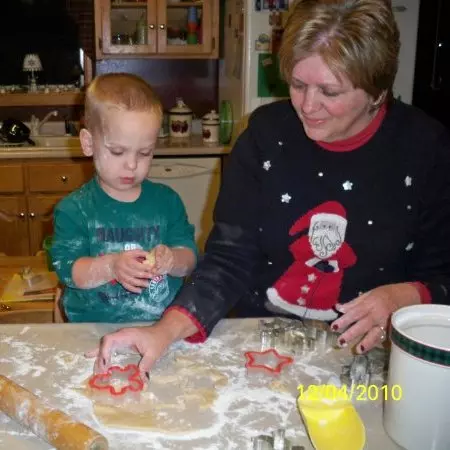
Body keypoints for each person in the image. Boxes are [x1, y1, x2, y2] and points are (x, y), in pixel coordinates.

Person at [86, 0, 450, 377]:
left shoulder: (426, 149)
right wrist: (163, 332)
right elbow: (229, 258)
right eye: (297, 84)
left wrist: (406, 298)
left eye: (330, 91)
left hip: (371, 357)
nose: (308, 106)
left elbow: (443, 275)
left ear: (377, 92)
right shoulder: (265, 136)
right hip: (257, 345)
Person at [51, 73, 197, 323]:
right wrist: (111, 266)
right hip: (91, 328)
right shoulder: (74, 210)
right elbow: (68, 270)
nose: (131, 164)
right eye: (118, 151)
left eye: (144, 152)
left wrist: (172, 259)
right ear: (88, 143)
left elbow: (189, 258)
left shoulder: (167, 202)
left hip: (158, 327)